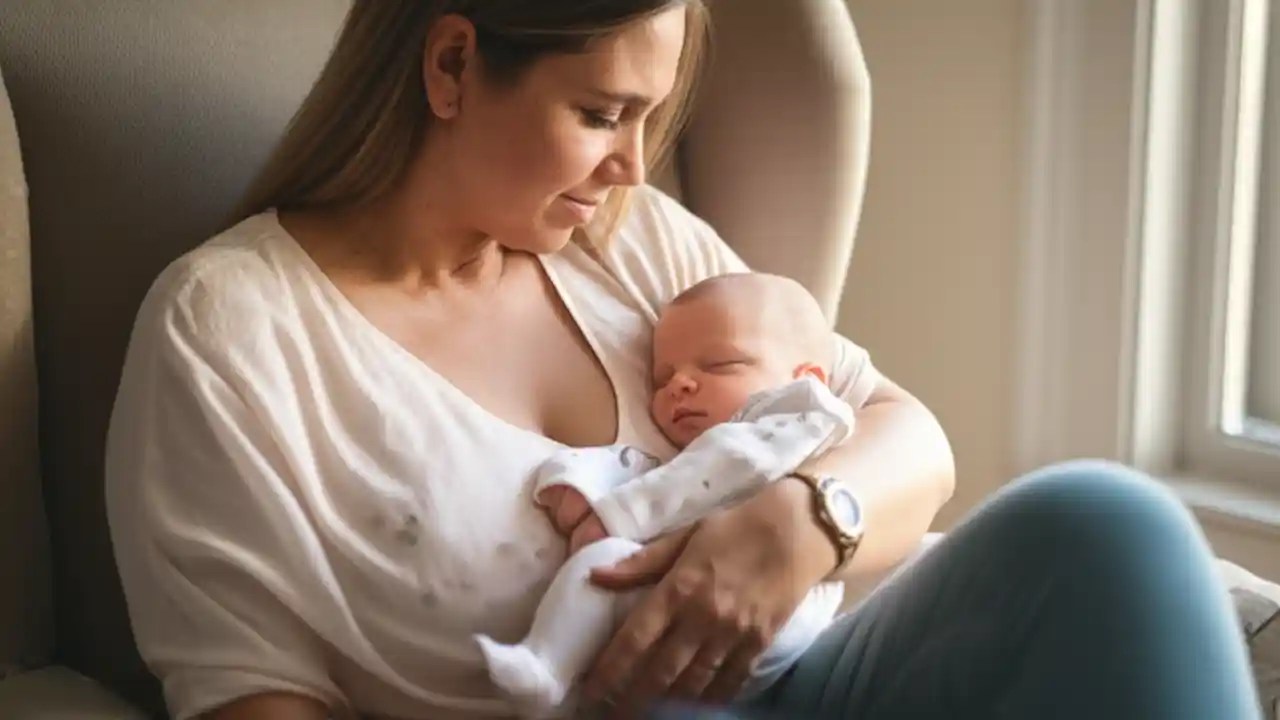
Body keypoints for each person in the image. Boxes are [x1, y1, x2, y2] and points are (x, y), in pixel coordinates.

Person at [102, 2, 1262, 719]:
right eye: (604, 113)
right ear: (451, 64)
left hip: (832, 669)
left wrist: (806, 518)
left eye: (652, 119)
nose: (632, 166)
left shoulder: (632, 241)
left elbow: (903, 430)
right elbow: (253, 696)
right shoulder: (231, 330)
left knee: (1108, 522)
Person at [476, 273, 864, 717]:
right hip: (684, 631)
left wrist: (618, 515)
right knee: (603, 567)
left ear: (807, 379)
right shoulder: (690, 458)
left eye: (720, 365)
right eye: (663, 378)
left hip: (787, 616)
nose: (679, 384)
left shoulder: (802, 416)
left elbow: (722, 466)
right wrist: (581, 484)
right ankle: (546, 668)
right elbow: (651, 471)